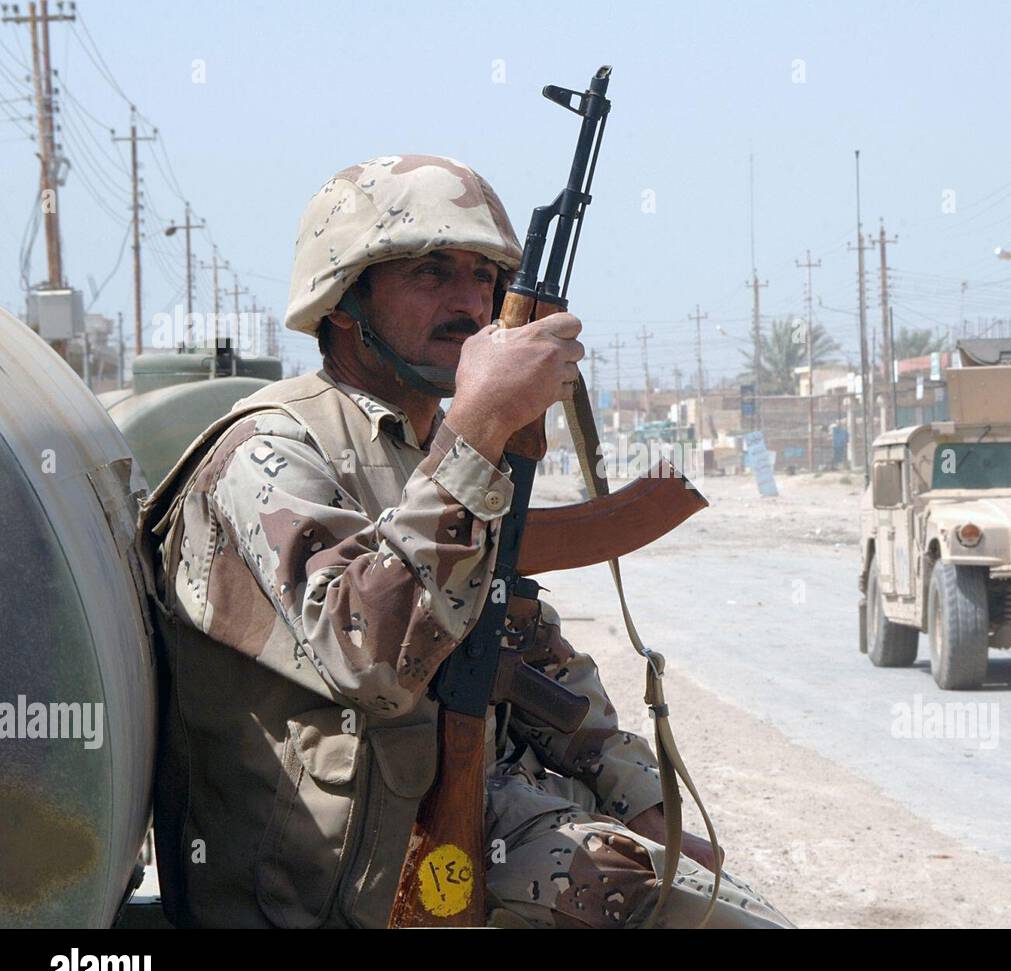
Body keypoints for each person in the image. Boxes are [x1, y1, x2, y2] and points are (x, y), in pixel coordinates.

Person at [140, 154, 791, 929]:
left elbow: (520, 640)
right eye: (430, 273)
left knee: (721, 900)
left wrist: (636, 792)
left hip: (465, 803)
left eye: (485, 277)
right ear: (345, 298)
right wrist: (480, 429)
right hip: (328, 884)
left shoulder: (427, 449)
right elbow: (371, 662)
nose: (470, 302)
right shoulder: (268, 454)